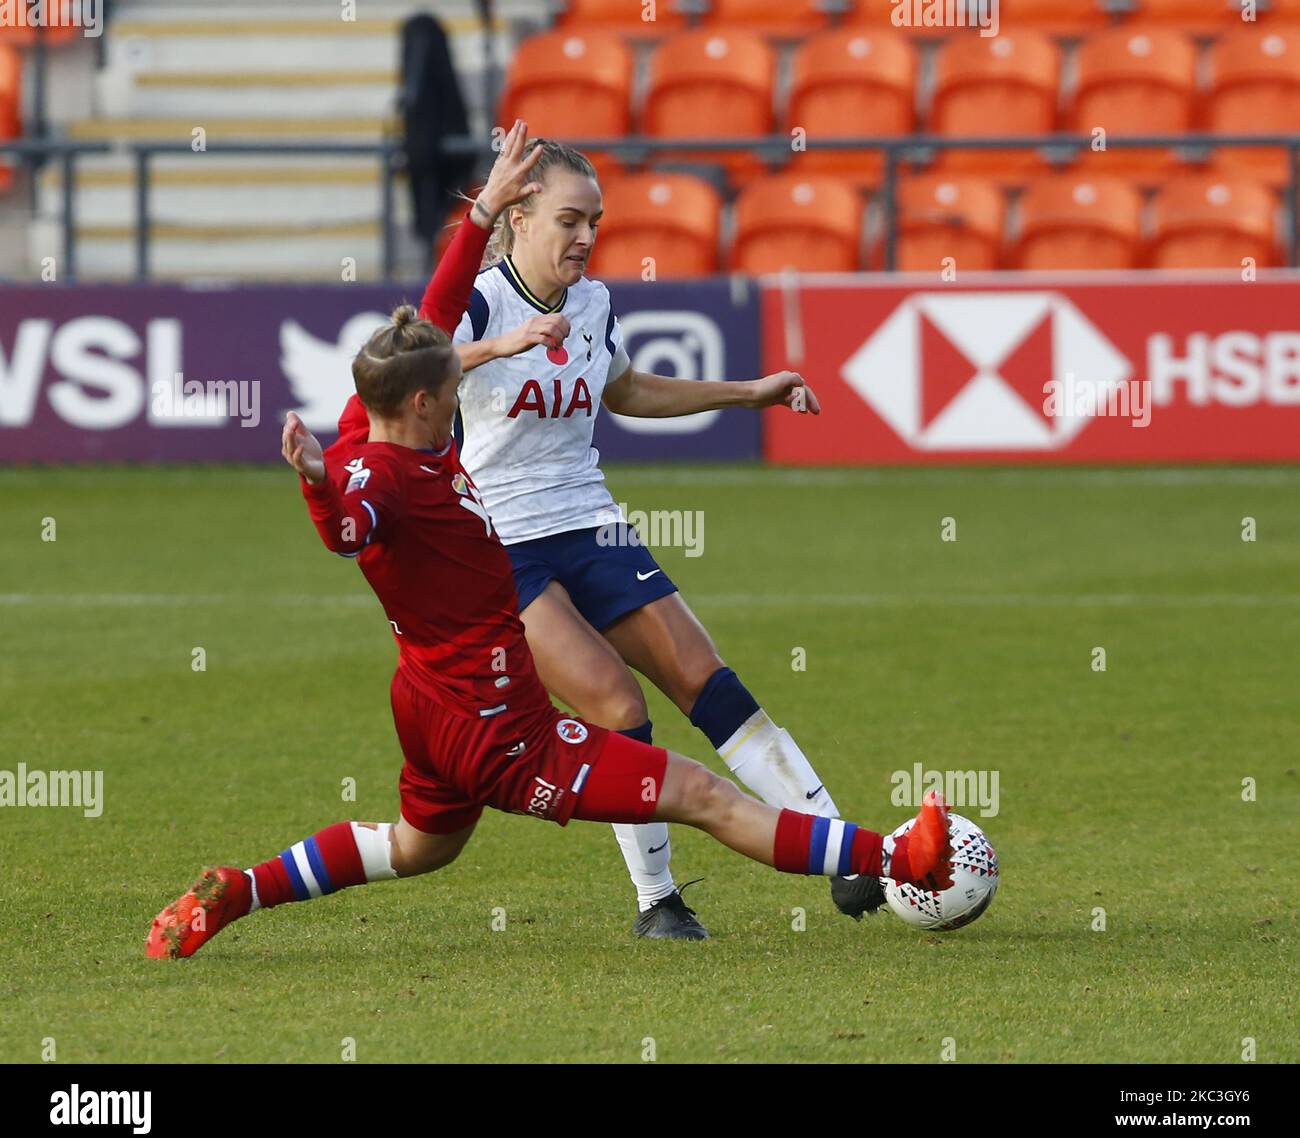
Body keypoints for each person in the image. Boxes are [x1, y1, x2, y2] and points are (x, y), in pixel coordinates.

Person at [144, 305, 954, 960]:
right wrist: (319, 491)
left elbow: (429, 328)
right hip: (496, 725)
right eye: (456, 388)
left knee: (422, 847)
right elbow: (350, 532)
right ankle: (895, 859)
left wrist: (482, 209)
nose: (464, 395)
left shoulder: (367, 430)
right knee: (701, 795)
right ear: (424, 403)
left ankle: (241, 888)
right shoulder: (384, 477)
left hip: (427, 703)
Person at [335, 135, 882, 940]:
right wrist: (501, 345)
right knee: (617, 703)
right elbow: (411, 367)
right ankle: (658, 900)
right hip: (503, 546)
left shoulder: (592, 303)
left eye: (594, 220)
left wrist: (747, 393)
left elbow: (624, 389)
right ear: (518, 219)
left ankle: (848, 857)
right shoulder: (483, 303)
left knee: (708, 677)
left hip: (591, 522)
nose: (586, 237)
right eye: (569, 219)